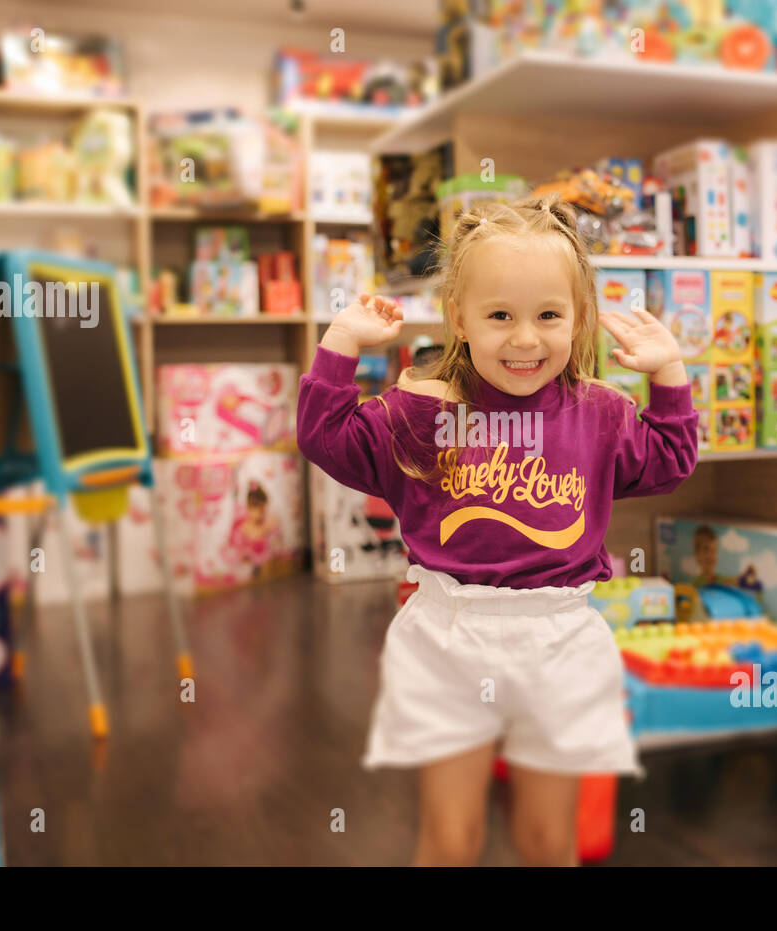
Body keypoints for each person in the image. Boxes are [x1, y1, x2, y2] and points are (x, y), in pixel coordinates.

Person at [297, 195, 698, 866]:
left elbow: (668, 460)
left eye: (548, 315)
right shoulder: (422, 411)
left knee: (548, 841)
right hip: (446, 638)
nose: (525, 339)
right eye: (499, 316)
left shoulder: (598, 412)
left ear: (579, 318)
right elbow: (325, 437)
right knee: (451, 841)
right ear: (459, 318)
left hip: (562, 640)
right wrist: (339, 343)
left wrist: (668, 372)